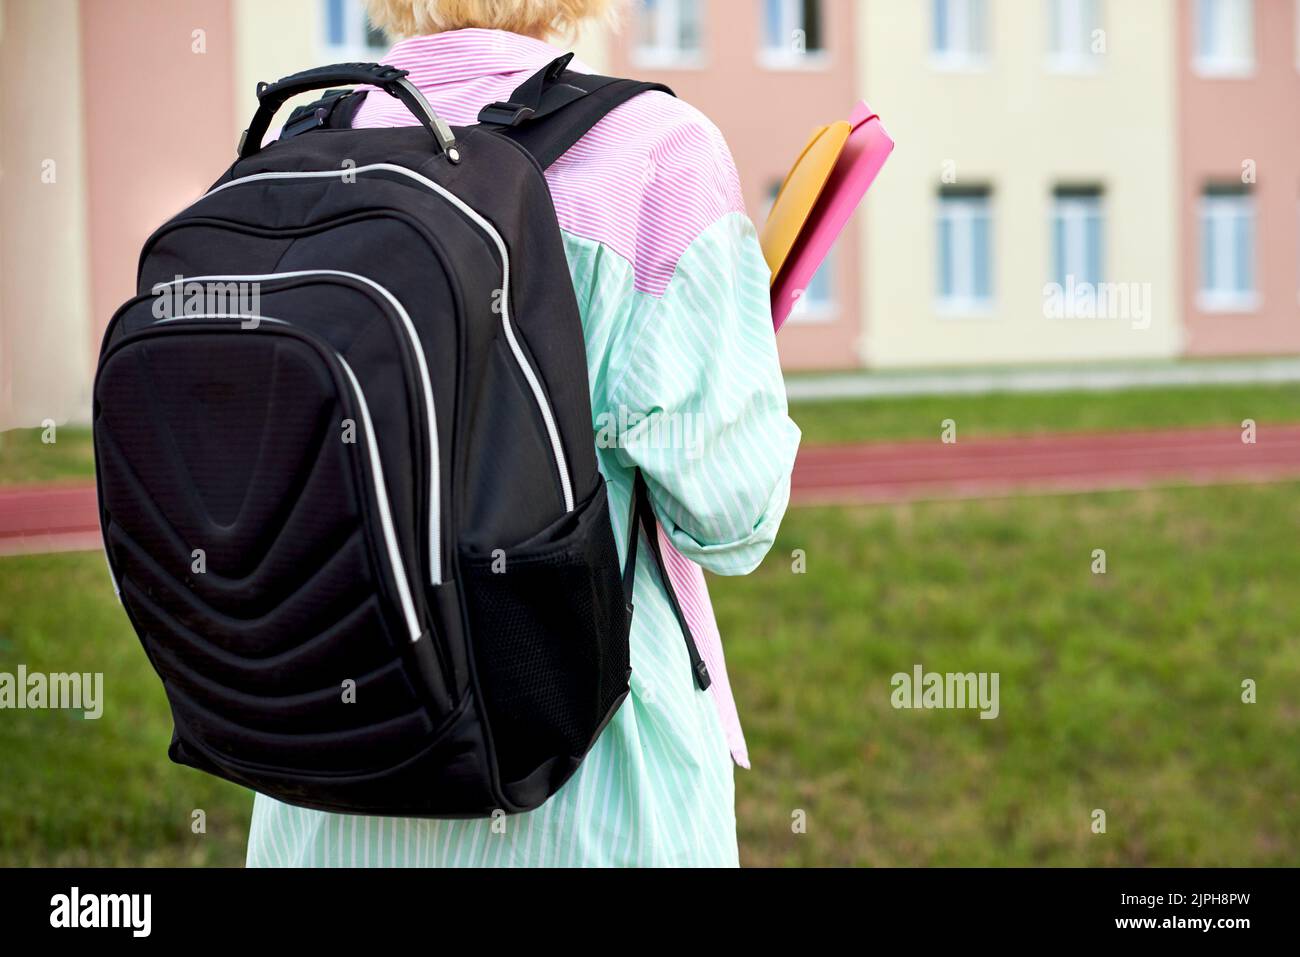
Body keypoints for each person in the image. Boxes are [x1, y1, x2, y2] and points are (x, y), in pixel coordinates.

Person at [246, 0, 800, 867]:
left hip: (318, 785)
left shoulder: (292, 151)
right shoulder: (655, 151)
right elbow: (731, 518)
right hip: (584, 787)